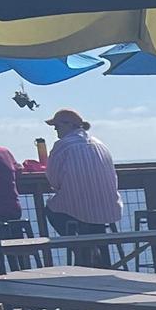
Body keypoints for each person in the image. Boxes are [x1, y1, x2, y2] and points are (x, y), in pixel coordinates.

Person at [42, 108, 121, 262]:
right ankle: (100, 257)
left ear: (68, 125)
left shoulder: (63, 146)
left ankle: (81, 249)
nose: (55, 130)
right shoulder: (100, 144)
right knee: (94, 222)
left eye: (57, 126)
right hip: (108, 208)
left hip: (79, 209)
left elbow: (53, 180)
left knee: (51, 210)